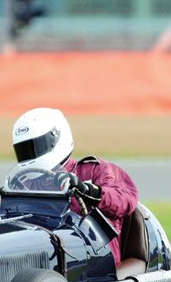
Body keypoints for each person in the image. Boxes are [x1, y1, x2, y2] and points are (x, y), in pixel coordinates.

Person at [11, 107, 140, 271]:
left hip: (95, 263)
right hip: (42, 261)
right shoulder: (25, 183)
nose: (31, 155)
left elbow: (126, 200)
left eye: (36, 147)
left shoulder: (95, 170)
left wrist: (87, 190)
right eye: (24, 150)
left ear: (57, 137)